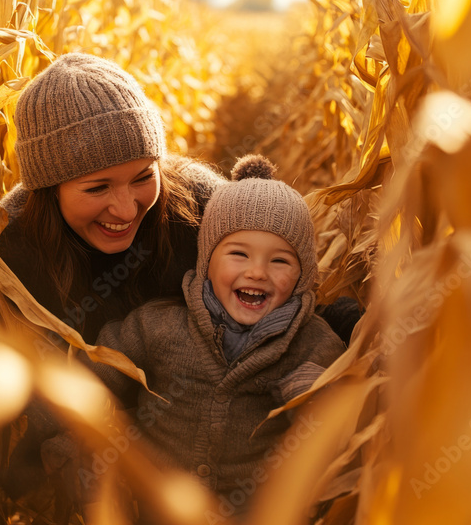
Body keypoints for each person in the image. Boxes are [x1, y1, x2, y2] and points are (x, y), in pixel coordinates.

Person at [81, 155, 347, 517]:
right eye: (238, 254)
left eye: (280, 261)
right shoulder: (159, 325)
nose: (257, 272)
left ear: (302, 276)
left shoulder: (312, 345)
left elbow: (346, 436)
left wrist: (320, 398)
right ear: (207, 260)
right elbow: (93, 372)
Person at [0, 52, 225, 345]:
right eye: (98, 188)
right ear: (49, 189)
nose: (126, 211)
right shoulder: (5, 256)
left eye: (143, 177)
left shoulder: (203, 203)